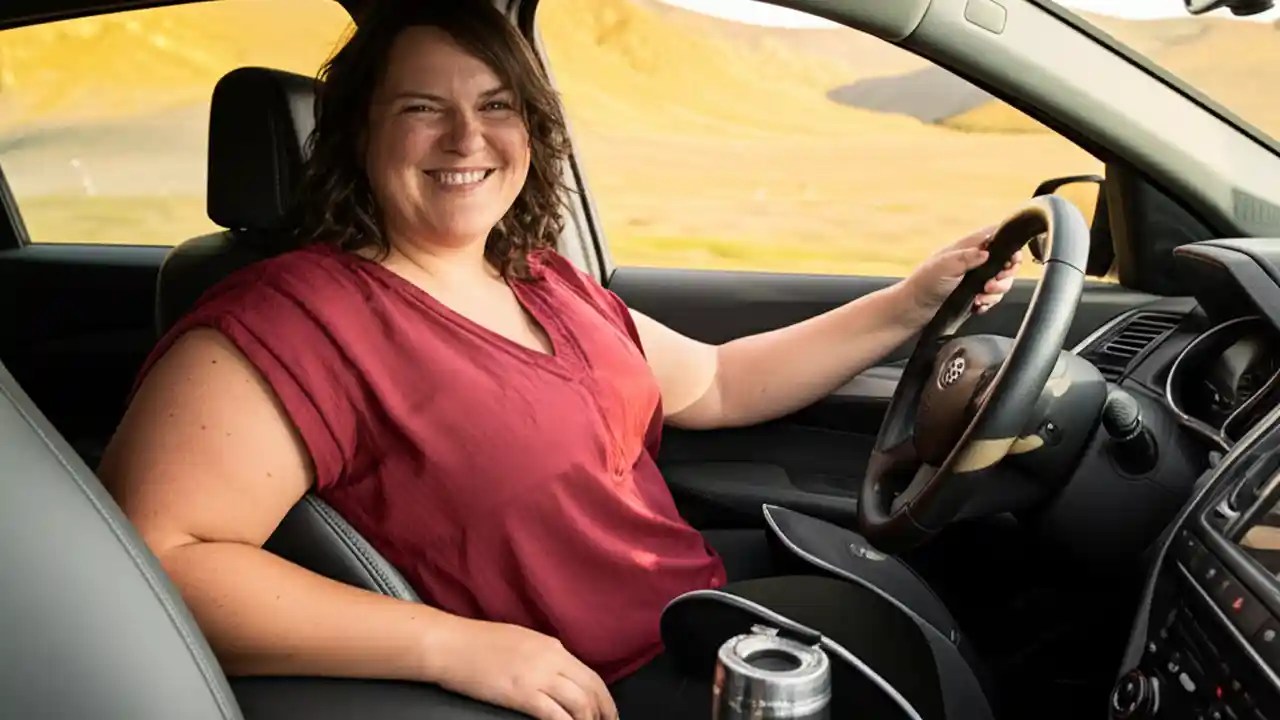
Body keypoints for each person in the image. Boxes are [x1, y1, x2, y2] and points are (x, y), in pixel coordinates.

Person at [97, 1, 1021, 718]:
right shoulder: (295, 319)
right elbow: (152, 564)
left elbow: (721, 381)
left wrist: (912, 302)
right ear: (355, 137)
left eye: (495, 106)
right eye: (423, 108)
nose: (467, 139)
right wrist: (454, 647)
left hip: (686, 615)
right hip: (586, 686)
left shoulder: (539, 278)